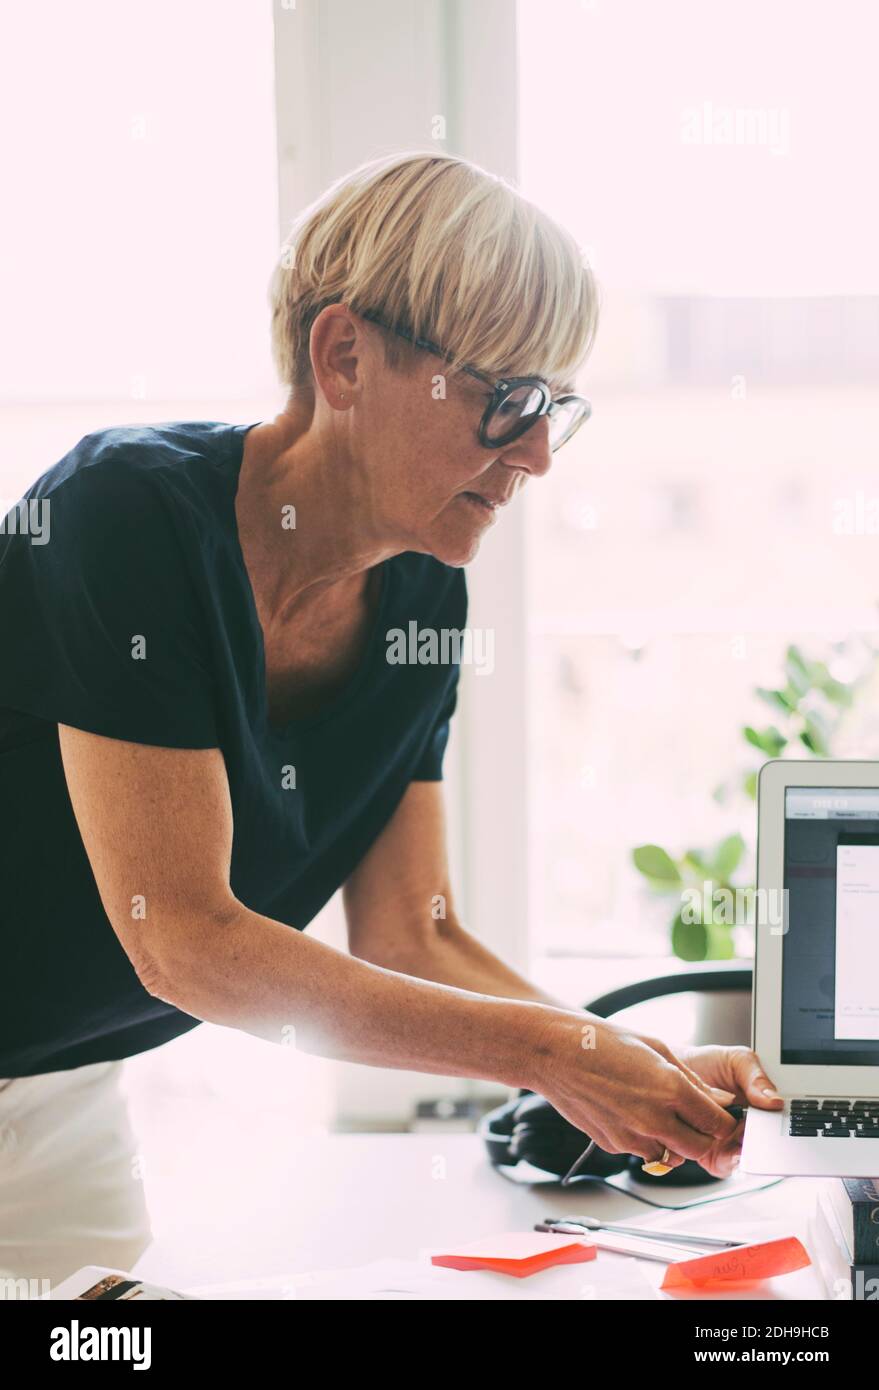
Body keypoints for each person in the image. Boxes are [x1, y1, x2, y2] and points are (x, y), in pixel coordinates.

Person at [0, 151, 782, 1286]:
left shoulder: (422, 595)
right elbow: (181, 938)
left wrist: (642, 1067)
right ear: (346, 356)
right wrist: (562, 1055)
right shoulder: (121, 514)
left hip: (62, 1098)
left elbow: (413, 930)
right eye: (505, 400)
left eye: (556, 405)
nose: (538, 453)